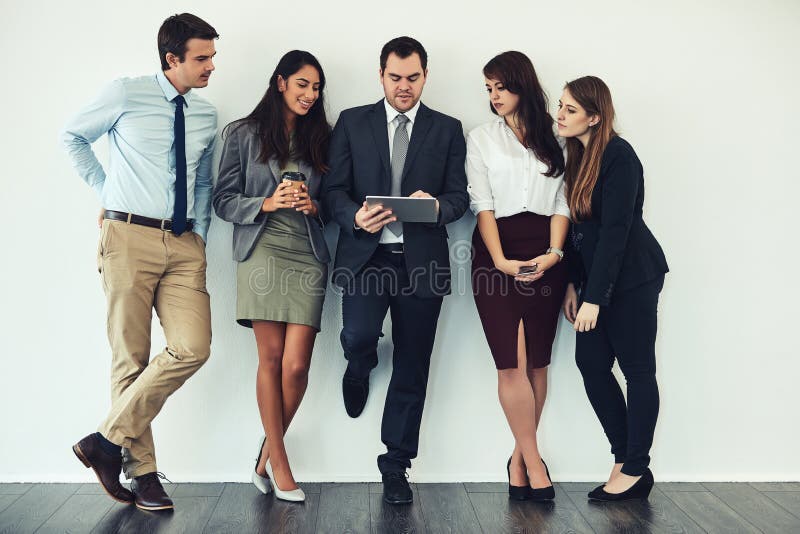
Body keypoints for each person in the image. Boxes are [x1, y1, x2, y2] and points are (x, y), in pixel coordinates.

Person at [61, 13, 219, 511]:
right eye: (202, 58)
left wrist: (200, 234)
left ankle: (106, 441)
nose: (211, 66)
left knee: (193, 346)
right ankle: (144, 474)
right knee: (130, 356)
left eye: (212, 56)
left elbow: (205, 181)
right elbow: (73, 136)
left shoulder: (206, 114)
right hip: (127, 235)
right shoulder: (125, 93)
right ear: (172, 59)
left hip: (184, 242)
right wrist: (106, 193)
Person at [322, 36, 468, 505]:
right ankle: (359, 364)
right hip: (368, 257)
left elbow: (461, 197)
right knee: (358, 334)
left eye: (413, 77)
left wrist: (438, 207)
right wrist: (353, 217)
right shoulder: (352, 122)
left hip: (422, 261)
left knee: (412, 365)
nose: (404, 87)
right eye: (395, 77)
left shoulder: (447, 129)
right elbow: (332, 191)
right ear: (380, 74)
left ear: (426, 75)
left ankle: (396, 465)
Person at [213, 50, 331, 503]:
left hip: (307, 253)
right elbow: (224, 201)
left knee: (298, 365)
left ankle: (265, 452)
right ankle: (281, 462)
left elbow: (334, 199)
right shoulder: (243, 134)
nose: (310, 95)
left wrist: (312, 205)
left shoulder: (322, 136)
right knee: (272, 358)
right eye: (302, 84)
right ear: (280, 82)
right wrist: (267, 202)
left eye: (316, 87)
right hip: (260, 250)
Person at [558, 76, 669, 501]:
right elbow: (576, 229)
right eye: (561, 107)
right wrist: (573, 283)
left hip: (633, 277)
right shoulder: (577, 154)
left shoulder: (620, 156)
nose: (560, 116)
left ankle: (635, 466)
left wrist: (594, 298)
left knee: (638, 369)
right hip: (596, 279)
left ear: (595, 116)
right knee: (591, 363)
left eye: (570, 109)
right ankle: (625, 459)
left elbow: (616, 232)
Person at [466, 51, 569, 501]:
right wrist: (501, 261)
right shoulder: (482, 138)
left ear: (521, 84)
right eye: (488, 89)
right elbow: (481, 203)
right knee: (511, 362)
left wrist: (554, 254)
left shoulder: (560, 136)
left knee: (538, 363)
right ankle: (534, 462)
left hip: (547, 248)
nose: (493, 96)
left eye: (499, 87)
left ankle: (517, 459)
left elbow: (565, 202)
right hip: (495, 252)